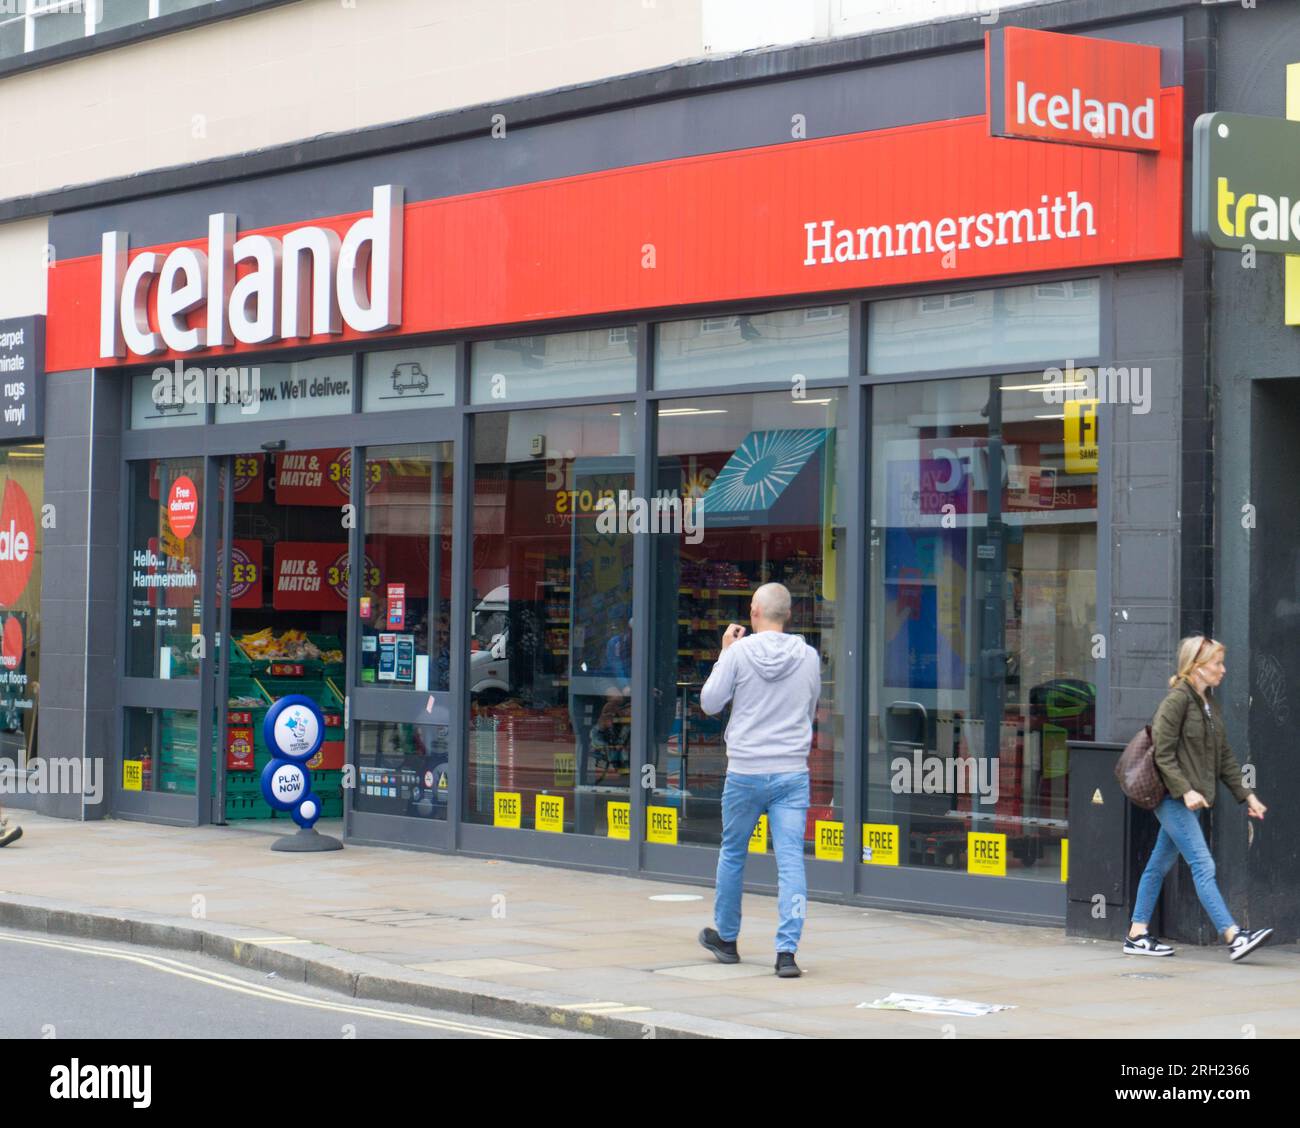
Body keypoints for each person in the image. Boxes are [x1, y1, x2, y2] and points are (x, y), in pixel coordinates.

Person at [696, 582, 820, 978]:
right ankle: (786, 953)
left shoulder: (739, 653)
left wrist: (724, 653)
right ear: (788, 614)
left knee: (734, 853)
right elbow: (809, 708)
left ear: (754, 612)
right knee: (790, 860)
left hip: (746, 770)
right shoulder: (809, 657)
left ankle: (727, 939)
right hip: (791, 772)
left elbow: (709, 702)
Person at [1125, 636, 1272, 962]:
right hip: (1172, 799)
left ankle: (1136, 934)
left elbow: (1224, 757)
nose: (1223, 669)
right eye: (1217, 663)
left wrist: (1247, 795)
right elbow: (1162, 754)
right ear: (1196, 667)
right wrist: (1185, 790)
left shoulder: (1208, 705)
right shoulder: (1177, 701)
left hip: (1191, 800)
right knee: (1203, 865)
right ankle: (1234, 936)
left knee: (1157, 865)